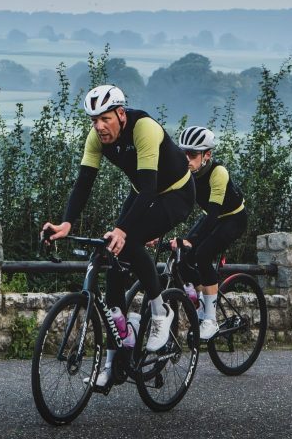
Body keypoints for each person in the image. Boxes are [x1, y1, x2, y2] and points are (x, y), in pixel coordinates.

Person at [41, 84, 195, 388]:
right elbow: (84, 182)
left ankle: (159, 312)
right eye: (93, 120)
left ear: (121, 114)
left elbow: (151, 189)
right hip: (142, 194)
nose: (99, 126)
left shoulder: (145, 129)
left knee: (130, 239)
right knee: (111, 255)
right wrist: (67, 223)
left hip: (175, 195)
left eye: (105, 119)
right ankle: (112, 364)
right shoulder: (95, 138)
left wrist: (124, 230)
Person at [171, 126, 246, 342]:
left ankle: (210, 320)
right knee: (184, 260)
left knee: (202, 254)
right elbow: (176, 205)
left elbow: (213, 215)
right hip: (211, 218)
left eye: (192, 154)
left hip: (233, 218)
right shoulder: (186, 173)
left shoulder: (218, 173)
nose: (186, 159)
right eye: (183, 153)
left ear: (207, 155)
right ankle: (204, 302)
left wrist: (190, 240)